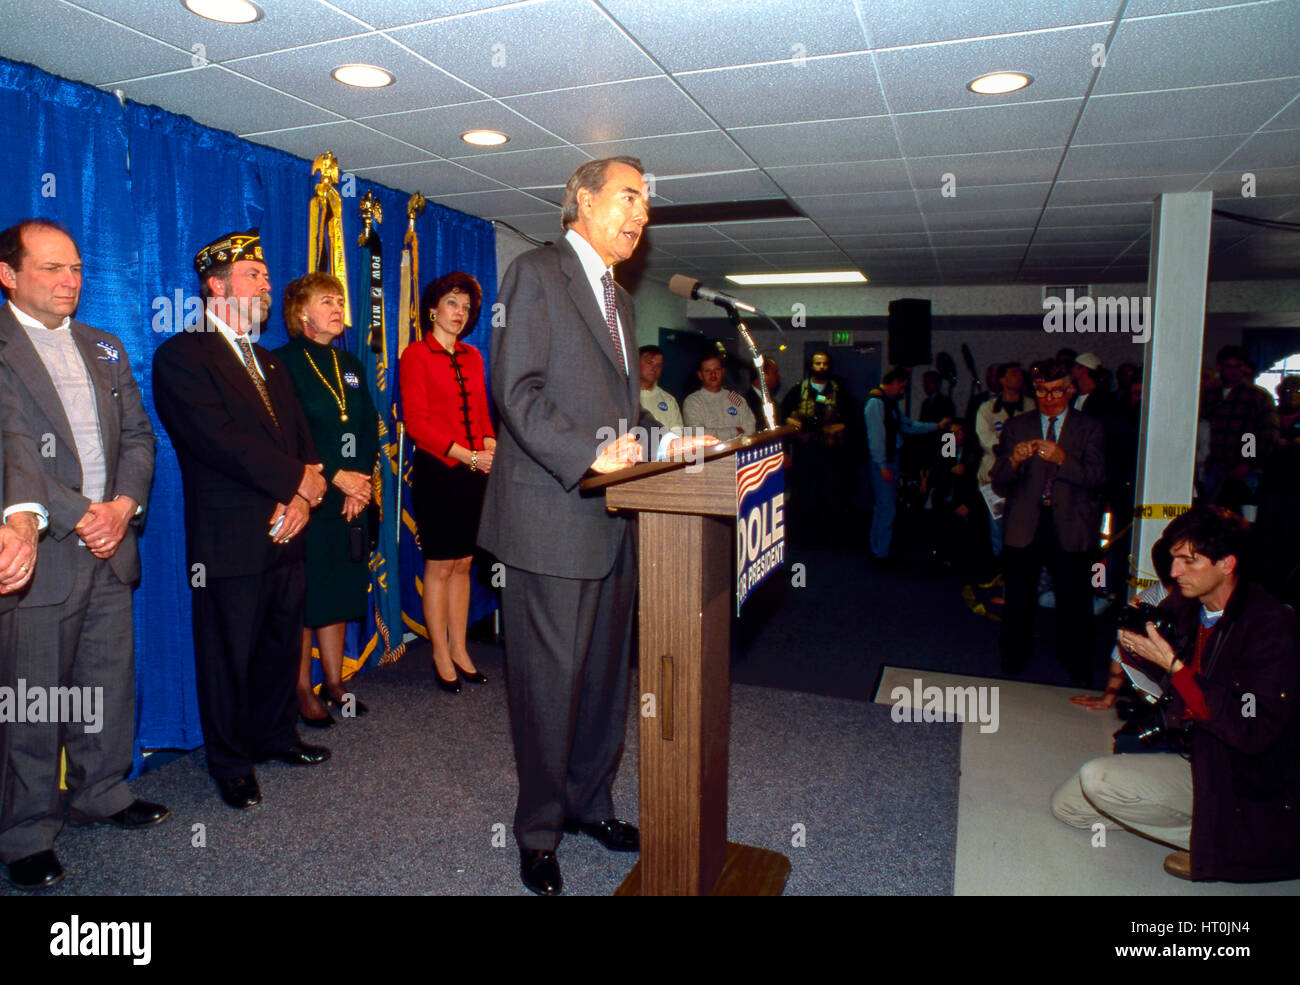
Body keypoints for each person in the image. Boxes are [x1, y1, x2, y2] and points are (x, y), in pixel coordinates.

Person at [477, 157, 711, 896]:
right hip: (549, 518)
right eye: (629, 197)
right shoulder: (537, 275)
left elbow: (619, 414)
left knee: (606, 681)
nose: (641, 215)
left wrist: (661, 440)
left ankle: (589, 804)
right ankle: (538, 831)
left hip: (612, 523)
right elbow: (515, 389)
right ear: (581, 200)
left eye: (649, 203)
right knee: (548, 685)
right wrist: (589, 452)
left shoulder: (619, 297)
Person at [0, 219, 165, 891]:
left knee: (106, 679)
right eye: (51, 268)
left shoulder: (105, 346)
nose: (69, 280)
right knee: (32, 697)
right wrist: (83, 514)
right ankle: (25, 829)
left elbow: (139, 437)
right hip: (45, 550)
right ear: (9, 275)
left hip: (111, 545)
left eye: (75, 269)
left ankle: (100, 790)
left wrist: (122, 506)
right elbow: (10, 448)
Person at [153, 229, 330, 812]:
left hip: (289, 531)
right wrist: (292, 485)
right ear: (216, 284)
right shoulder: (182, 355)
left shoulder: (271, 364)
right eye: (255, 275)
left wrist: (304, 498)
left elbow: (302, 445)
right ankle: (230, 763)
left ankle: (276, 735)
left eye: (263, 275)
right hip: (228, 539)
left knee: (281, 645)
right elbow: (215, 441)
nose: (266, 285)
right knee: (227, 651)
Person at [1052, 506, 1300, 882]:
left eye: (1189, 561)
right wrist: (1138, 648)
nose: (1174, 572)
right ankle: (1207, 832)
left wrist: (1173, 667)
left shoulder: (1271, 626)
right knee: (1070, 807)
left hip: (1240, 772)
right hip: (1191, 751)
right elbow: (1166, 680)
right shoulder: (1185, 604)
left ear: (1227, 564)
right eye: (1173, 559)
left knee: (1096, 779)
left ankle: (1225, 846)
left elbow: (1251, 729)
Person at [276, 273, 379, 726]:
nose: (338, 308)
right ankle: (301, 686)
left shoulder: (352, 365)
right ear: (302, 313)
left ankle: (335, 682)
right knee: (308, 596)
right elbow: (291, 434)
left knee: (338, 591)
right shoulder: (283, 363)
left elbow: (365, 426)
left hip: (351, 501)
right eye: (326, 301)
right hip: (312, 498)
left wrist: (363, 484)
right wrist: (338, 477)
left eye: (340, 300)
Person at [400, 271, 495, 694]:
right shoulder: (415, 356)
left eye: (467, 307)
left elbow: (483, 410)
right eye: (453, 304)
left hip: (476, 473)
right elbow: (417, 424)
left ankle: (461, 648)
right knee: (439, 565)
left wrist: (489, 446)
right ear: (433, 309)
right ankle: (439, 652)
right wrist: (469, 455)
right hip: (439, 472)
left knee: (463, 564)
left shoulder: (474, 356)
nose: (460, 313)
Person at [992, 358, 1105, 684]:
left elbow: (1098, 478)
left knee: (1075, 599)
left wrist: (1063, 460)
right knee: (1018, 597)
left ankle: (1077, 663)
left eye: (1057, 392)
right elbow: (998, 481)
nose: (1049, 399)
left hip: (1071, 524)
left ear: (1069, 390)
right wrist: (1012, 460)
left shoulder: (1090, 428)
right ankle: (1013, 659)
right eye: (1042, 391)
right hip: (1025, 523)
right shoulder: (1018, 426)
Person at [864, 366, 947, 562]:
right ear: (892, 382)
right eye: (901, 387)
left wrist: (936, 426)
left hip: (891, 459)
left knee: (883, 508)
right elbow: (876, 438)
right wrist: (882, 465)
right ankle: (880, 553)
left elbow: (908, 426)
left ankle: (877, 548)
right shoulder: (876, 403)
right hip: (883, 461)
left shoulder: (889, 403)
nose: (903, 391)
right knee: (887, 509)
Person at [1202, 345, 1278, 512]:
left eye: (1238, 366)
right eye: (1229, 366)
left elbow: (1265, 434)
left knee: (1242, 517)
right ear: (1220, 367)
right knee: (1209, 515)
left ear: (1244, 368)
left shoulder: (1258, 396)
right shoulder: (1209, 394)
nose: (1233, 371)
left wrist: (1247, 462)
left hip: (1244, 470)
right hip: (1213, 466)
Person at [975, 362, 1035, 560]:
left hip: (1025, 477)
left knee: (1022, 528)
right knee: (997, 527)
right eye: (1014, 373)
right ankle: (1000, 569)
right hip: (994, 477)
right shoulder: (987, 409)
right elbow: (985, 438)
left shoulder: (1031, 406)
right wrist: (1007, 450)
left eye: (1020, 373)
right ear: (1002, 379)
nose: (1019, 377)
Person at [682, 352, 755, 440]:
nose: (713, 374)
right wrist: (734, 431)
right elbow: (697, 434)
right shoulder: (692, 401)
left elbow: (750, 429)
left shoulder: (736, 399)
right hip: (709, 453)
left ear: (723, 372)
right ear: (700, 375)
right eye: (707, 371)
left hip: (736, 451)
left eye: (717, 369)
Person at [637, 344, 682, 433]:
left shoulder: (669, 400)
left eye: (659, 365)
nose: (654, 369)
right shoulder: (625, 396)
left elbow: (677, 432)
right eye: (649, 363)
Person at [743, 355, 780, 427]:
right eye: (775, 373)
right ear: (763, 375)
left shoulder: (773, 403)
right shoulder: (746, 404)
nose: (778, 376)